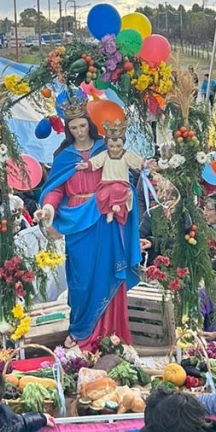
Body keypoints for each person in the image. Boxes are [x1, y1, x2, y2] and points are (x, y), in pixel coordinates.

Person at [36, 101, 142, 351]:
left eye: (83, 125)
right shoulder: (65, 158)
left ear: (90, 125)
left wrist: (123, 197)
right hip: (77, 225)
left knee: (108, 273)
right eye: (74, 127)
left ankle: (112, 334)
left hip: (105, 220)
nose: (80, 131)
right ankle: (83, 332)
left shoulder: (106, 149)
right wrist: (49, 209)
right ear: (68, 129)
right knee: (81, 282)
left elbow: (121, 178)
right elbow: (55, 190)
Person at [77, 117, 145, 224]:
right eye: (111, 146)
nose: (115, 149)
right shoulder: (105, 155)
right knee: (102, 194)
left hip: (121, 182)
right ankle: (110, 211)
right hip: (106, 183)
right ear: (107, 145)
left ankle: (116, 206)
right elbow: (96, 161)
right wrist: (86, 165)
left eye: (118, 146)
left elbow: (136, 161)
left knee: (117, 189)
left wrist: (145, 163)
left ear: (123, 144)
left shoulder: (126, 155)